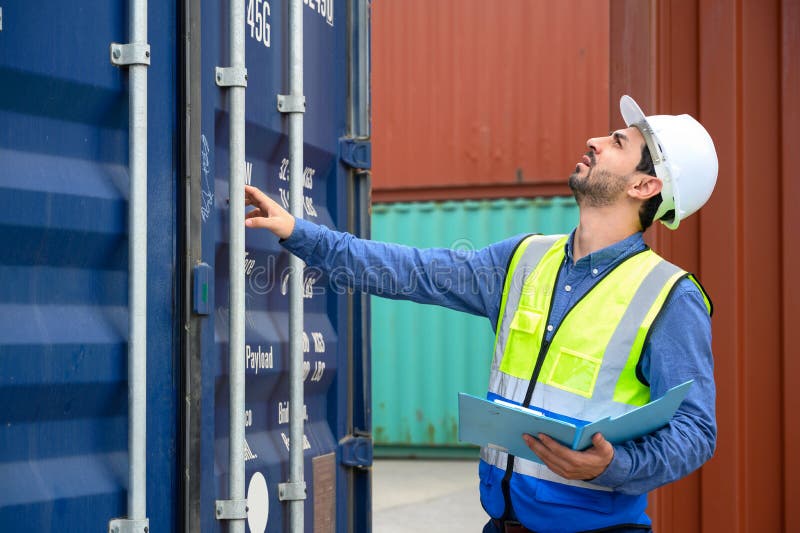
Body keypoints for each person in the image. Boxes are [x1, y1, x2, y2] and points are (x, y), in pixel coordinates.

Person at [244, 95, 718, 533]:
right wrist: (300, 233)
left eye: (617, 142)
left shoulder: (670, 297)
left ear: (645, 184)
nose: (594, 140)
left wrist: (614, 466)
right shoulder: (522, 260)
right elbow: (413, 270)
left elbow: (695, 432)